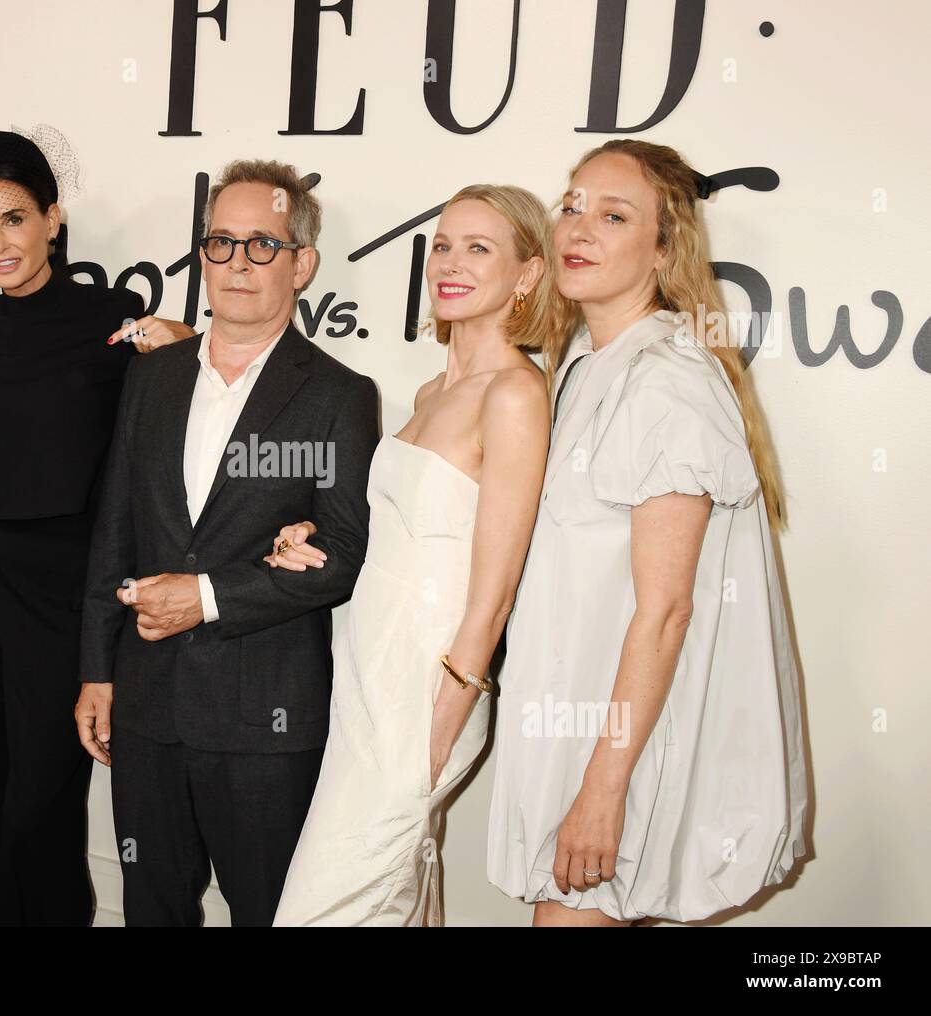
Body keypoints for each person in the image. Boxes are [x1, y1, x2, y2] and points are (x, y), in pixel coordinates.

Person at [487, 139, 808, 926]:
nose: (578, 228)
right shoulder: (585, 364)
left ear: (665, 252)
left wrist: (604, 786)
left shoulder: (665, 381)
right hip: (584, 725)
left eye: (613, 215)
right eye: (571, 207)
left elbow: (667, 613)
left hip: (623, 746)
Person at [74, 159, 381, 926]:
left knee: (269, 913)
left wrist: (206, 597)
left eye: (262, 246)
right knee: (152, 907)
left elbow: (340, 553)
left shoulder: (339, 395)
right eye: (220, 244)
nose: (237, 264)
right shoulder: (154, 376)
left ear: (301, 263)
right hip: (145, 708)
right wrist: (96, 670)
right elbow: (115, 524)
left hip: (265, 718)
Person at [0, 129, 195, 926]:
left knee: (40, 800)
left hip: (67, 591)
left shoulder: (109, 317)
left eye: (13, 218)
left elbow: (185, 413)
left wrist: (180, 344)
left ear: (53, 217)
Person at [268, 185, 554, 925]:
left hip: (424, 690)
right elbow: (405, 533)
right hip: (365, 674)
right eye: (443, 245)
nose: (450, 263)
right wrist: (313, 540)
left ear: (527, 275)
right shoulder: (430, 390)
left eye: (479, 248)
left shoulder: (516, 395)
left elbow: (494, 592)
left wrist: (440, 726)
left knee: (324, 908)